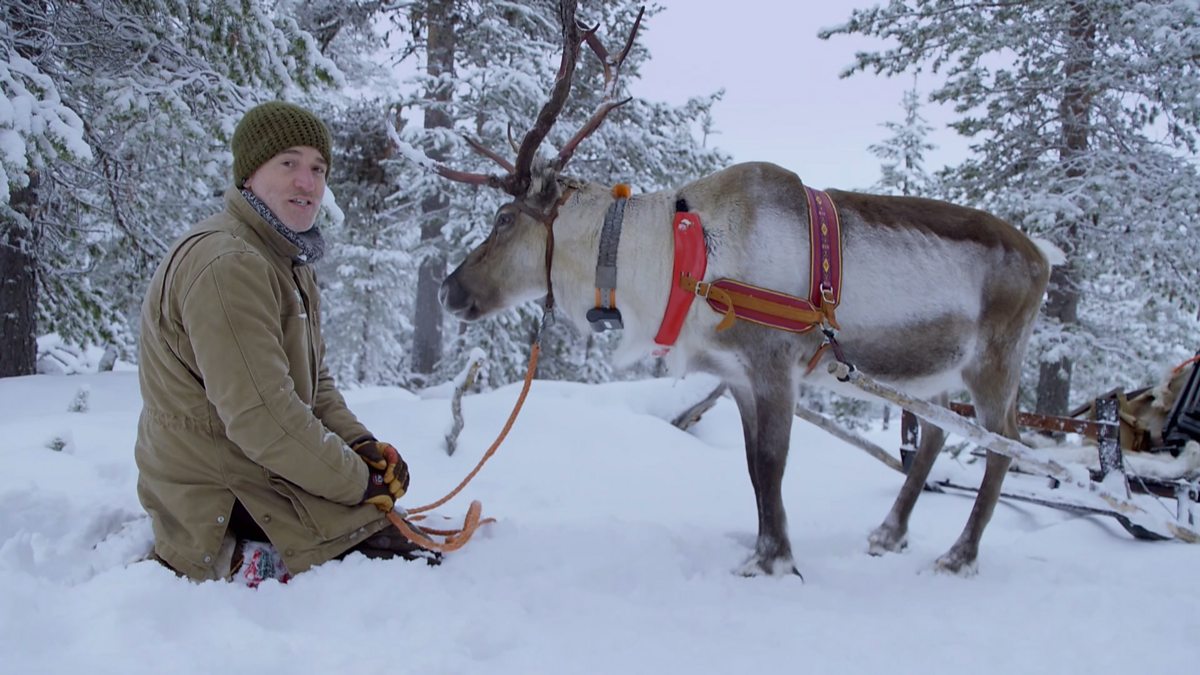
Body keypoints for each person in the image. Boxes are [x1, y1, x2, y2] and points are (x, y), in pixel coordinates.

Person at [135, 101, 434, 584]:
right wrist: (360, 483)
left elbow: (314, 388)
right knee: (406, 571)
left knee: (401, 541)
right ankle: (243, 564)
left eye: (318, 168)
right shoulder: (230, 264)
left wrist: (362, 447)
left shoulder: (283, 259)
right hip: (220, 491)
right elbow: (263, 418)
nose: (307, 182)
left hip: (256, 464)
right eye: (289, 163)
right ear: (250, 173)